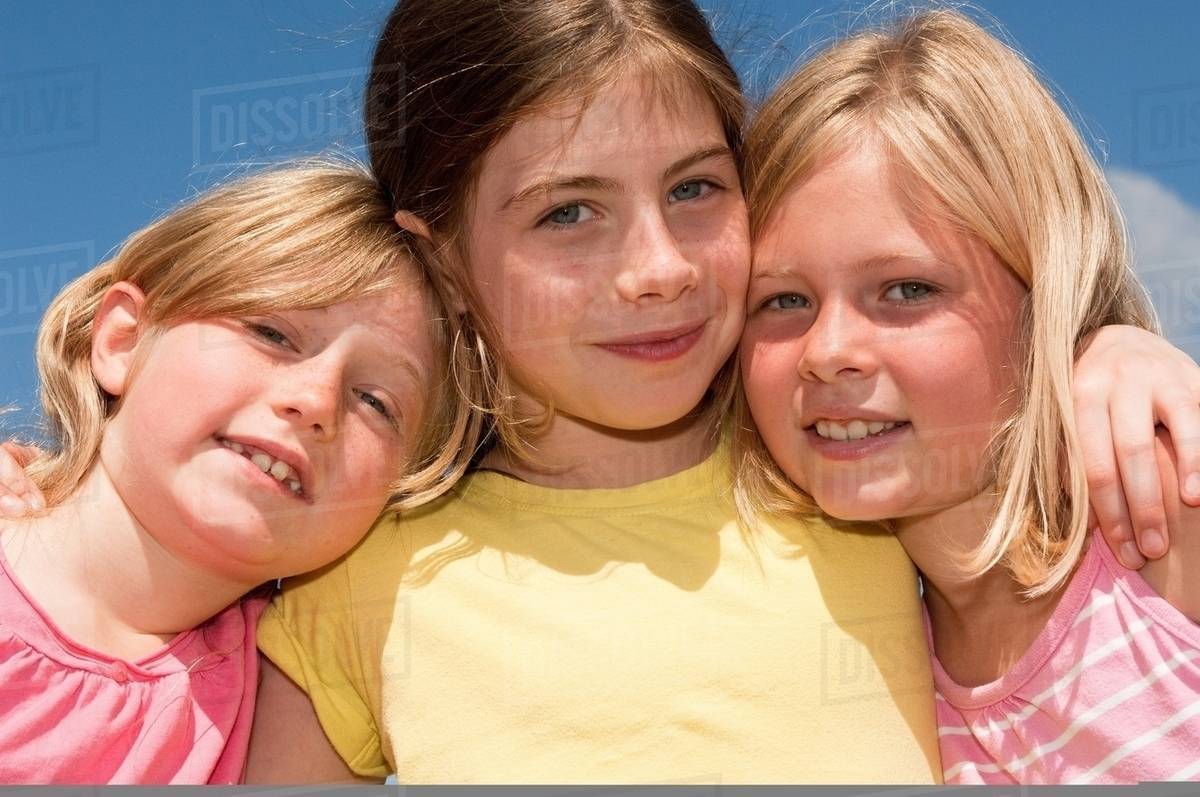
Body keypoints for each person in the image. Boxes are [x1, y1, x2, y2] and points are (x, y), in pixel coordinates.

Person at [242, 0, 1200, 784]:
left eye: (696, 189)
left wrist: (1104, 340)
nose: (657, 268)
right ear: (442, 256)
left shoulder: (834, 478)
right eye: (568, 212)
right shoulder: (357, 579)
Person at [737, 9, 1199, 784]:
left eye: (906, 289)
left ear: (1044, 289)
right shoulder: (875, 665)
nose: (829, 352)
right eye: (782, 300)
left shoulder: (1156, 512)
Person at [0, 161, 475, 783]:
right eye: (272, 332)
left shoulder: (297, 703)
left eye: (377, 403)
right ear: (122, 340)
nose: (315, 400)